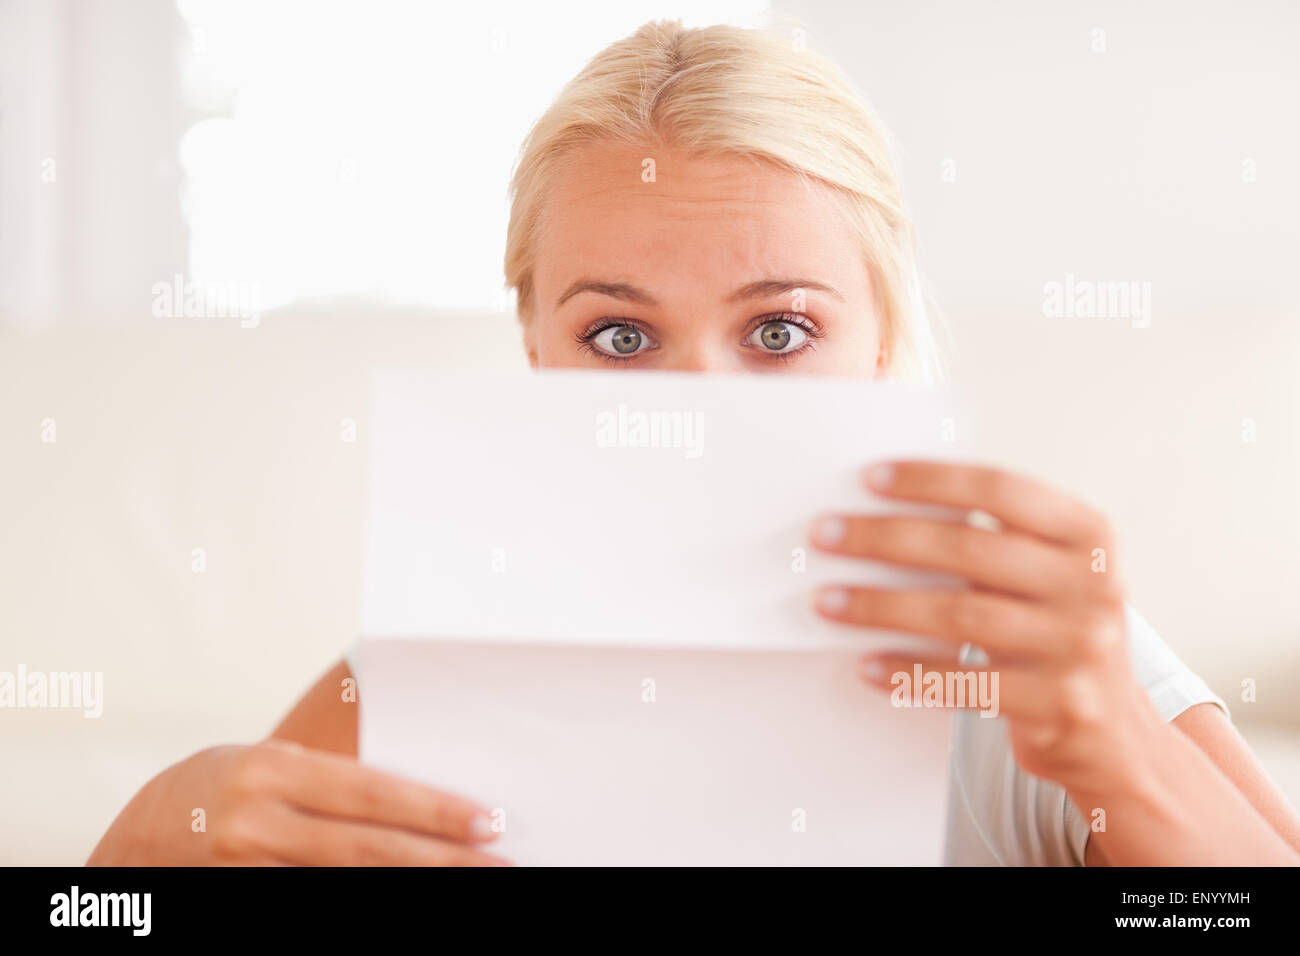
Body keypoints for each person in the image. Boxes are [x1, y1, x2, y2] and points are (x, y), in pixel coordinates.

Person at [88, 20, 1300, 866]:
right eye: (620, 337)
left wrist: (1121, 756)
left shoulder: (1034, 654)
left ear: (882, 341)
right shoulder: (439, 665)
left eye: (778, 329)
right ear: (535, 355)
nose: (696, 408)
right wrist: (146, 840)